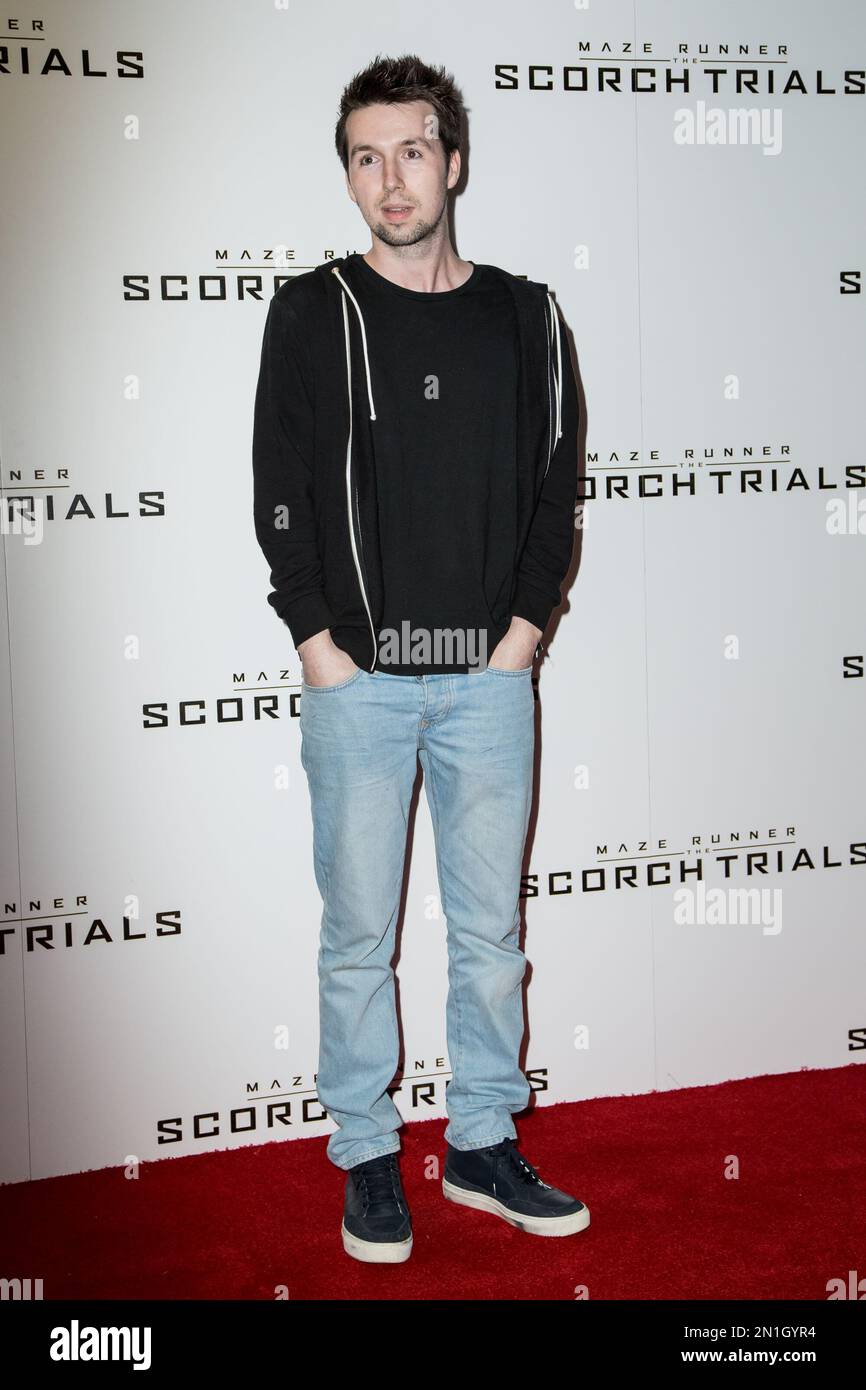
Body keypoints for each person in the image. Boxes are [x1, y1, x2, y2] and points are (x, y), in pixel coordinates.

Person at [252, 52, 589, 1263]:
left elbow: (556, 491)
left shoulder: (527, 314)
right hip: (360, 684)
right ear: (347, 176)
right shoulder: (311, 311)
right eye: (363, 157)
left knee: (488, 933)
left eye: (410, 152)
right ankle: (366, 1156)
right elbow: (279, 491)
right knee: (358, 936)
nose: (389, 180)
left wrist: (518, 642)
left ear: (452, 162)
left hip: (488, 681)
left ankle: (483, 1144)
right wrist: (318, 646)